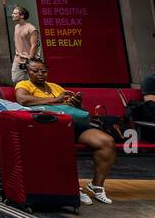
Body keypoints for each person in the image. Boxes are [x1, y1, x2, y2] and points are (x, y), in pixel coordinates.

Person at [13, 59, 117, 205]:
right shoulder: (24, 84)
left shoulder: (55, 87)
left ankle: (96, 185)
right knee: (62, 148)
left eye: (43, 71)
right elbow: (22, 100)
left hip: (69, 124)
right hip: (45, 127)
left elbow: (71, 109)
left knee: (107, 142)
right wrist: (56, 99)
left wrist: (77, 104)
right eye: (35, 71)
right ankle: (73, 188)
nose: (40, 74)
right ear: (28, 72)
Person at [11, 6, 40, 85]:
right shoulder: (16, 27)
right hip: (18, 58)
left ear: (22, 16)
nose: (12, 15)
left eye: (14, 13)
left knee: (34, 82)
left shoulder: (31, 28)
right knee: (15, 79)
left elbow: (34, 45)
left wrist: (30, 59)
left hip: (29, 59)